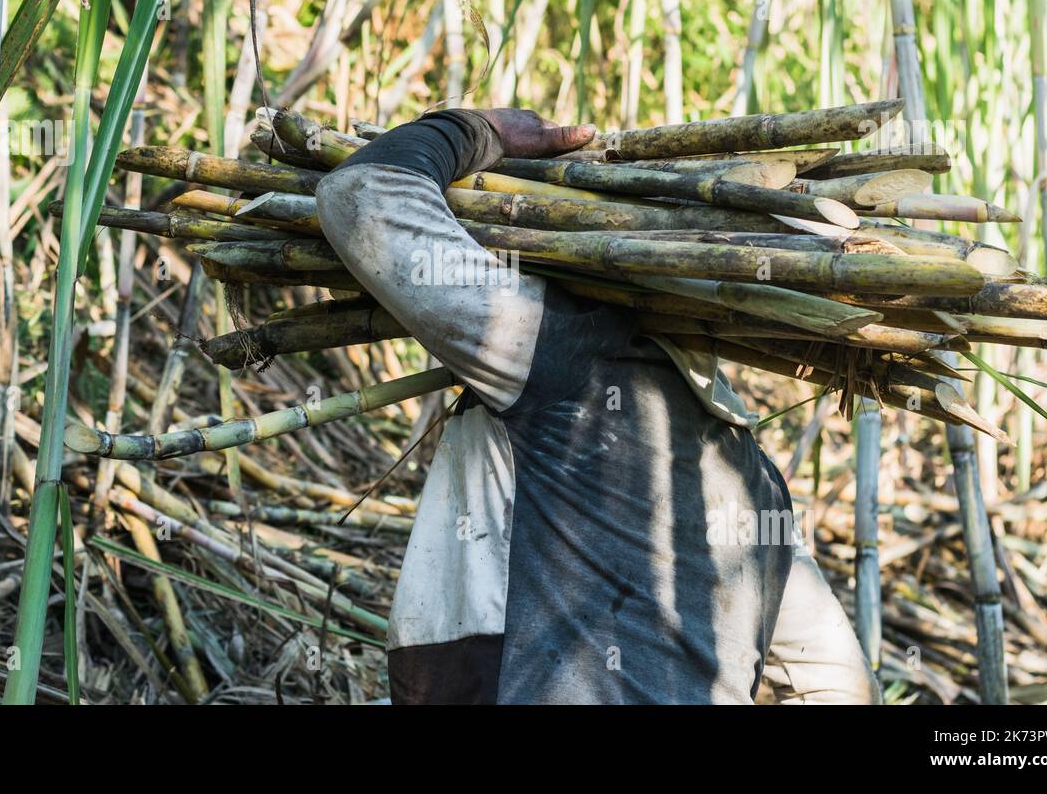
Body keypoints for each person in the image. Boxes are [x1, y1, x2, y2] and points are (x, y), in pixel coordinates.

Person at [315, 107, 879, 704]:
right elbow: (840, 684)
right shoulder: (753, 475)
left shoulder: (563, 357)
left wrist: (478, 132)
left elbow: (365, 198)